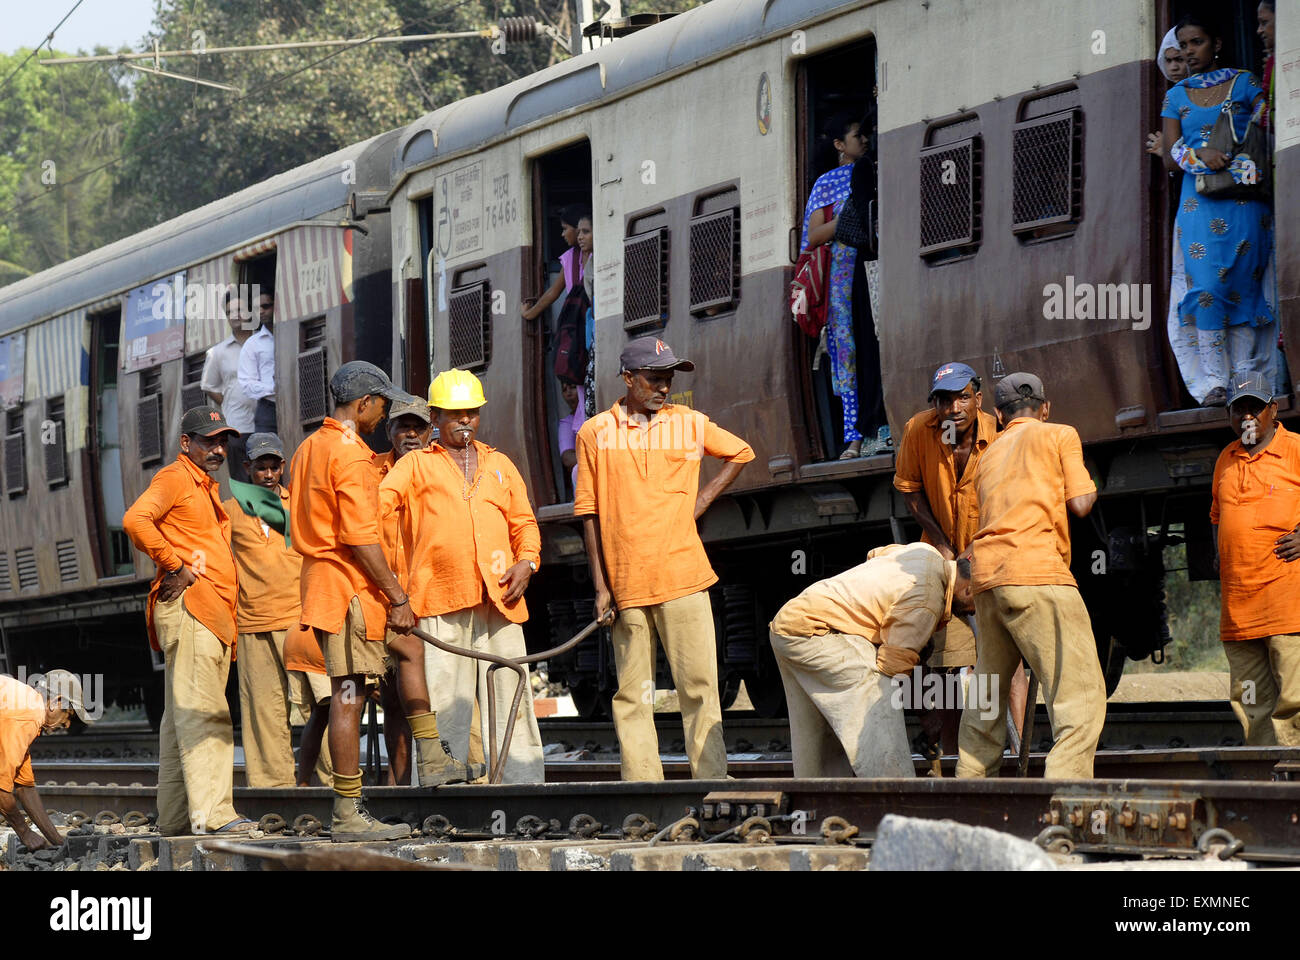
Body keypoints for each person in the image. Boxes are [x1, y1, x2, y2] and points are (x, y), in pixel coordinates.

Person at [289, 361, 473, 843]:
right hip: (349, 586)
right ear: (364, 404)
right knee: (348, 697)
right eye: (382, 404)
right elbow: (358, 536)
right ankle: (348, 812)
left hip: (343, 584)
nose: (385, 413)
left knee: (409, 649)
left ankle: (431, 756)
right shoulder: (350, 454)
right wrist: (397, 594)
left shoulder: (311, 446)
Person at [575, 336, 754, 780]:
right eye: (654, 378)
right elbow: (589, 513)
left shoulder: (690, 422)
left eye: (669, 379)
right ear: (628, 378)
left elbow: (741, 452)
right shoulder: (595, 432)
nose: (663, 388)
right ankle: (643, 789)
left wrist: (704, 497)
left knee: (699, 687)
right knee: (633, 694)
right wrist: (601, 588)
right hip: (626, 584)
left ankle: (711, 783)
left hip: (684, 576)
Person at [380, 369, 544, 783]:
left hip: (501, 599)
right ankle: (442, 803)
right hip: (438, 598)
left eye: (471, 412)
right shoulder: (415, 465)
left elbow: (524, 523)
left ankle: (522, 790)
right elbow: (377, 510)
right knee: (446, 704)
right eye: (455, 414)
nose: (465, 420)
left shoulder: (500, 463)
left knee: (512, 699)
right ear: (435, 417)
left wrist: (528, 560)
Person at [956, 374, 1106, 780]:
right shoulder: (1060, 434)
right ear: (1045, 408)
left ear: (1000, 416)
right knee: (1079, 693)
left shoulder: (987, 455)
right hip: (1038, 571)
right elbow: (1080, 503)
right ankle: (1066, 791)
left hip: (989, 580)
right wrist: (1088, 481)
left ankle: (969, 780)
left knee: (988, 693)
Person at [123, 405, 253, 834]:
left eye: (222, 442)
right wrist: (175, 564)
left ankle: (177, 819)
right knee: (205, 713)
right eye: (208, 441)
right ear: (186, 444)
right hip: (194, 609)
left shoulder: (204, 486)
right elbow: (135, 520)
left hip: (207, 613)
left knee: (180, 719)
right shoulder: (176, 477)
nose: (218, 449)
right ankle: (214, 816)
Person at [893, 362, 1027, 767]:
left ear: (979, 399)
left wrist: (977, 546)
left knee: (1010, 657)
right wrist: (939, 540)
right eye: (944, 400)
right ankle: (956, 760)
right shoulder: (920, 431)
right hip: (944, 563)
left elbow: (1014, 496)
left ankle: (1021, 753)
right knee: (948, 666)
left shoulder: (1001, 433)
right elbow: (910, 489)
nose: (953, 408)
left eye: (962, 398)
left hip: (995, 553)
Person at [769, 544, 976, 777]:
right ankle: (893, 788)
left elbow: (875, 555)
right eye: (976, 604)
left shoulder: (926, 553)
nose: (973, 613)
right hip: (817, 631)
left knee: (821, 727)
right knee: (879, 689)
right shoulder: (928, 602)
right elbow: (894, 669)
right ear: (969, 589)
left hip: (790, 625)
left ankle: (822, 795)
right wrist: (927, 717)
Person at [1160, 15, 1275, 406]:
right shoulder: (1176, 95)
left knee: (1244, 290)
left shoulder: (1245, 83)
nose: (1189, 52)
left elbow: (1269, 123)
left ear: (1217, 44)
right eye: (1184, 45)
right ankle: (1213, 382)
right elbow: (1171, 157)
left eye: (1197, 42)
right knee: (1206, 289)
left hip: (1246, 203)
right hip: (1198, 203)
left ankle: (1247, 380)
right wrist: (1200, 154)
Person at [1210, 372, 1300, 745]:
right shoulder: (1225, 459)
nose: (1247, 416)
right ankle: (1262, 779)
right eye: (1239, 409)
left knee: (1293, 700)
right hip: (1239, 609)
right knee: (1249, 701)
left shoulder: (1295, 448)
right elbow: (1218, 518)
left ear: (1273, 410)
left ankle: (1293, 781)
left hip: (1285, 603)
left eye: (1256, 407)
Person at [223, 432, 312, 787]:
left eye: (275, 466)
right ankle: (274, 789)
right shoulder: (231, 511)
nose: (269, 474)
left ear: (283, 467)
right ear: (248, 468)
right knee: (263, 711)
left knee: (317, 705)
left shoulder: (299, 504)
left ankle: (322, 783)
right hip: (252, 624)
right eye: (261, 467)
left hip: (300, 620)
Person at [1147, 28, 1214, 405]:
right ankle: (1204, 383)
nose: (1179, 64)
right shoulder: (1171, 102)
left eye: (1185, 53)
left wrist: (1170, 155)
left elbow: (1176, 157)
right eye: (1171, 59)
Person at [373, 392, 433, 785]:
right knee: (392, 698)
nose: (410, 434)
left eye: (418, 427)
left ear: (430, 432)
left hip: (429, 593)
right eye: (402, 426)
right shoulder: (370, 470)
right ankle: (399, 784)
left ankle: (428, 777)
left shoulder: (440, 466)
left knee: (429, 696)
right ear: (389, 430)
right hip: (384, 596)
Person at [801, 112, 867, 458]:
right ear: (840, 145)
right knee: (847, 353)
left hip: (869, 276)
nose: (866, 140)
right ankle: (853, 435)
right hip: (842, 283)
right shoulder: (829, 182)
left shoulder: (875, 170)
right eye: (858, 135)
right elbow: (813, 236)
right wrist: (848, 220)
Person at [0, 670, 93, 852]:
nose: (66, 724)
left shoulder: (25, 704)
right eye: (69, 714)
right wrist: (25, 833)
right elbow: (1, 791)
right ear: (56, 702)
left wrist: (59, 844)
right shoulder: (27, 715)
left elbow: (25, 788)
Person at [199, 289, 257, 482]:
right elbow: (208, 385)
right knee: (244, 484)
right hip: (237, 427)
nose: (235, 315)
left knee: (269, 479)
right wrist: (229, 402)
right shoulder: (218, 352)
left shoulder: (264, 343)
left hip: (266, 423)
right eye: (229, 312)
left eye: (239, 309)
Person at [283, 623, 334, 787]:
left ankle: (302, 785)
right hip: (323, 639)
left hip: (298, 636)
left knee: (320, 714)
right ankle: (345, 789)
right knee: (346, 711)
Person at [522, 205, 585, 324]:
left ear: (578, 229)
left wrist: (529, 313)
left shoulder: (594, 253)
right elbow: (553, 292)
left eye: (565, 229)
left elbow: (553, 292)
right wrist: (529, 313)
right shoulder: (569, 257)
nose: (562, 234)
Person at [238, 292, 277, 434]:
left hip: (297, 403)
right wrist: (274, 389)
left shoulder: (290, 336)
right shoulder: (252, 344)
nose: (261, 311)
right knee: (267, 453)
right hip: (268, 409)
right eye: (256, 308)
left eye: (265, 306)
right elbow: (246, 383)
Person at [556, 379, 584, 495]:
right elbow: (567, 458)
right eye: (564, 390)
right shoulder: (567, 423)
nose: (568, 393)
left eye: (572, 387)